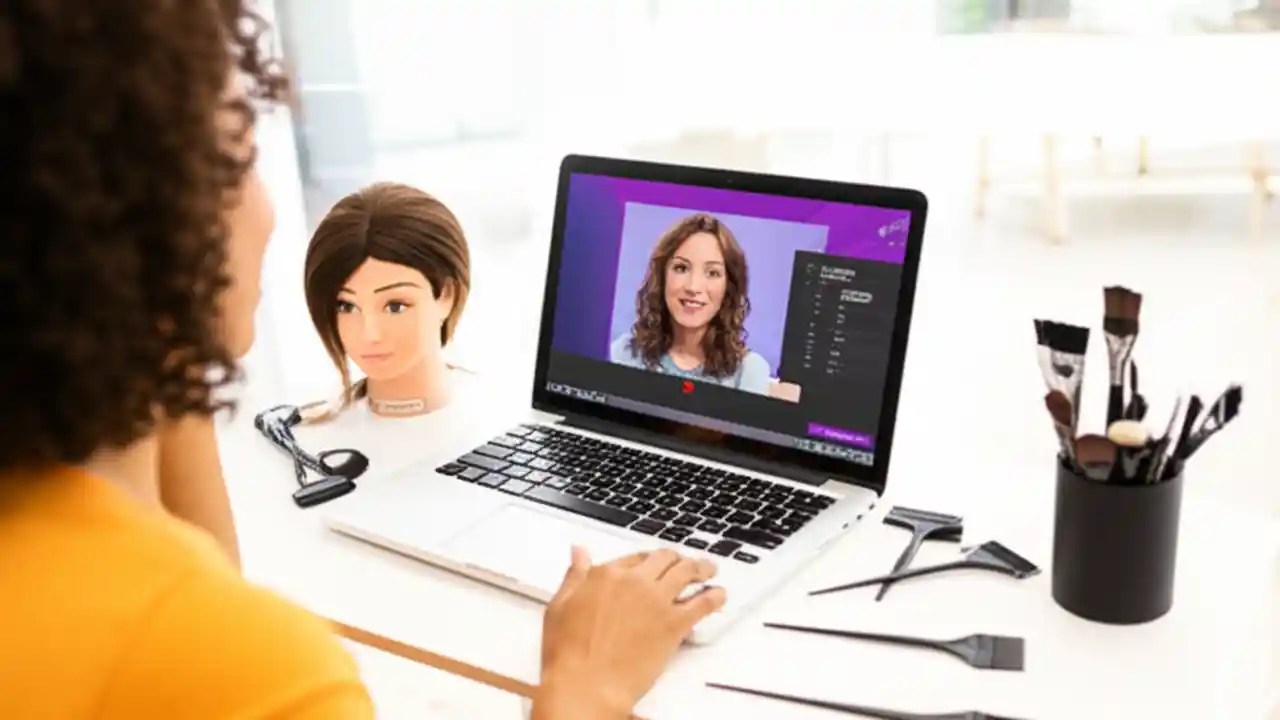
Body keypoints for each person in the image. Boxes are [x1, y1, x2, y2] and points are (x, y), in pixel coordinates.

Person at [0, 3, 725, 719]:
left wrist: (154, 340)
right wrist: (584, 687)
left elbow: (194, 579)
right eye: (241, 156)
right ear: (154, 225)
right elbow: (202, 640)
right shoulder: (260, 674)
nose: (271, 209)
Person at [299, 182, 474, 422]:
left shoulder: (501, 415)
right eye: (346, 306)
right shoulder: (303, 436)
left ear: (446, 295)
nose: (370, 334)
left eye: (395, 306)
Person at [611, 213, 801, 401]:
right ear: (662, 277)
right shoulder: (625, 352)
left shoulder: (749, 371)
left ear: (729, 287)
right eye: (681, 268)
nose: (693, 287)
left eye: (712, 273)